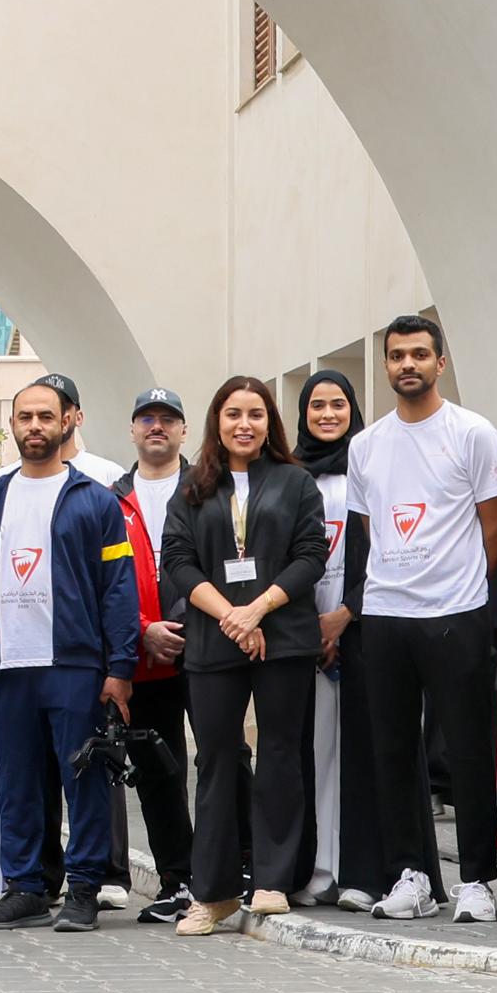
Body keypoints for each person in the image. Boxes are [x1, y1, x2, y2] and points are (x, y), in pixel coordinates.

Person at [337, 315, 497, 924]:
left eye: (418, 354)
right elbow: (371, 527)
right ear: (386, 365)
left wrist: (460, 585)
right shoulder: (366, 445)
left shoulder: (473, 433)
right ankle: (411, 875)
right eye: (396, 355)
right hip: (386, 615)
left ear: (440, 363)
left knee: (468, 751)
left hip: (457, 613)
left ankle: (477, 881)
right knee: (392, 751)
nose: (407, 364)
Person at [0, 372, 138, 932]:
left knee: (84, 781)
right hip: (6, 669)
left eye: (45, 416)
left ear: (68, 421)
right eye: (25, 417)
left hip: (75, 667)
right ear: (12, 425)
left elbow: (119, 590)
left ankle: (84, 889)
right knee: (17, 785)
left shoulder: (95, 501)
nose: (35, 426)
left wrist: (120, 667)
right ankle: (26, 888)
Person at [162, 375, 328, 934]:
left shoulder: (295, 481)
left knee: (281, 753)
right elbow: (178, 561)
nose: (244, 424)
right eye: (233, 414)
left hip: (283, 637)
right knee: (215, 760)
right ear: (217, 421)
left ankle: (272, 881)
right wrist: (232, 617)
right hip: (214, 639)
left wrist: (257, 610)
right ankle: (213, 894)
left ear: (269, 423)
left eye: (255, 414)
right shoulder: (193, 485)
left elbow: (311, 556)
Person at [112, 386, 199, 921]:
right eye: (147, 418)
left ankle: (237, 867)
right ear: (133, 430)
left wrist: (191, 622)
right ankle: (176, 881)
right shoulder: (110, 497)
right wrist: (143, 629)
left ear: (184, 430)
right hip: (143, 654)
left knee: (223, 759)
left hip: (207, 645)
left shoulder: (208, 488)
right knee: (157, 768)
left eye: (168, 418)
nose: (157, 427)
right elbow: (105, 581)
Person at [295, 367, 366, 906]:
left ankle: (360, 871)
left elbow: (387, 550)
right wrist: (311, 626)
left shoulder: (371, 467)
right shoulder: (288, 475)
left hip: (363, 629)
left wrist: (346, 614)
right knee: (313, 755)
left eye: (338, 404)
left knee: (360, 755)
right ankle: (316, 870)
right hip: (301, 639)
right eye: (316, 405)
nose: (327, 414)